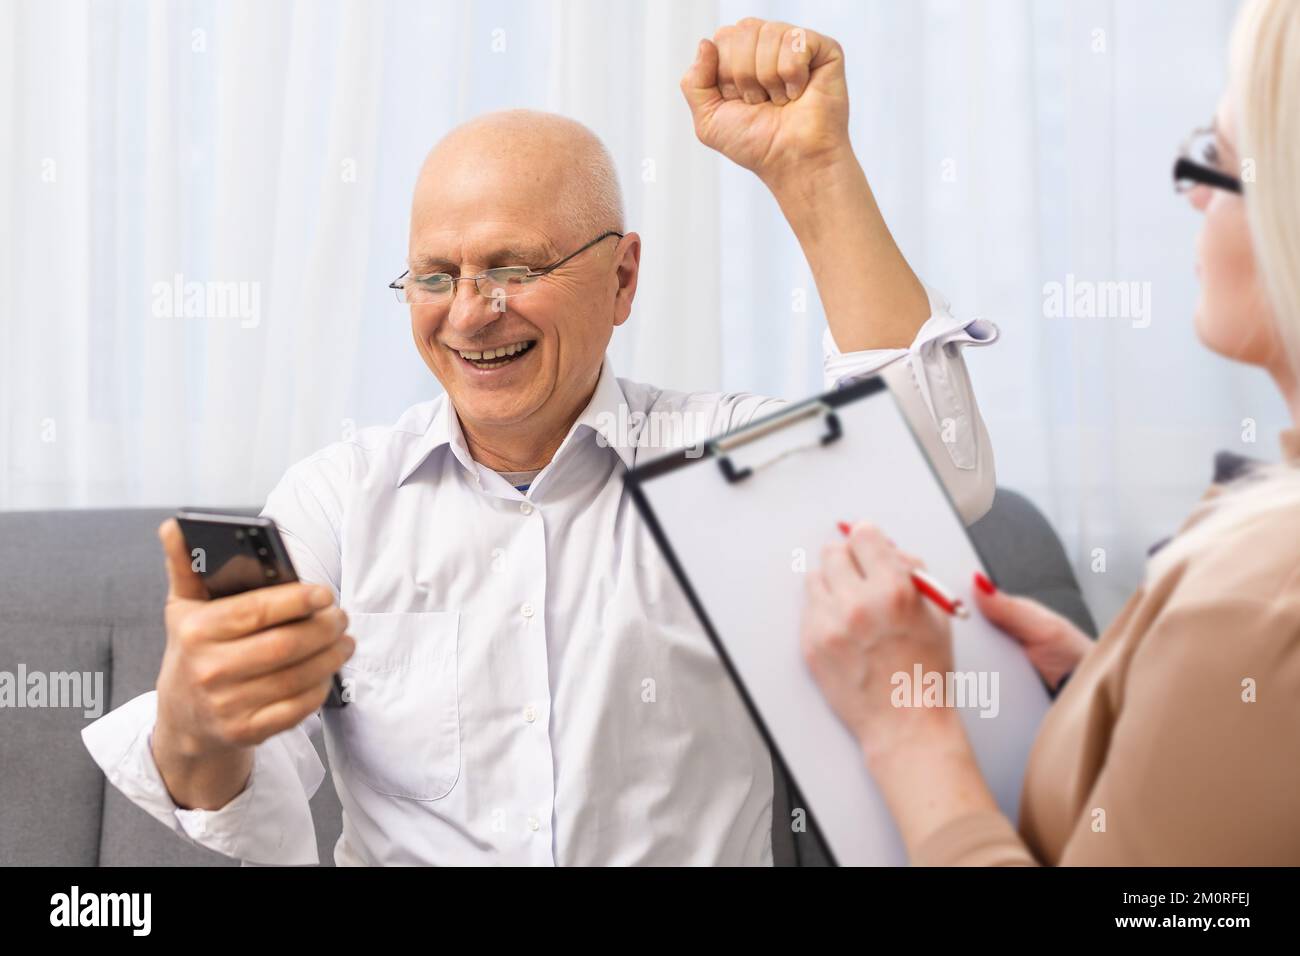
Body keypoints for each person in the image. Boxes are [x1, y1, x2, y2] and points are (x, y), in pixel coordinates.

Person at [81, 18, 999, 865]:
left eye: (516, 269)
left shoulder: (720, 460)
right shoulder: (335, 502)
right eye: (436, 276)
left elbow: (925, 492)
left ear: (623, 277)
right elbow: (247, 794)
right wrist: (198, 722)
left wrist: (817, 173)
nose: (474, 315)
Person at [801, 0, 1300, 866]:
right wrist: (1116, 688)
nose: (1189, 191)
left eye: (1217, 157)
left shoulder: (1256, 605)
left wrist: (909, 733)